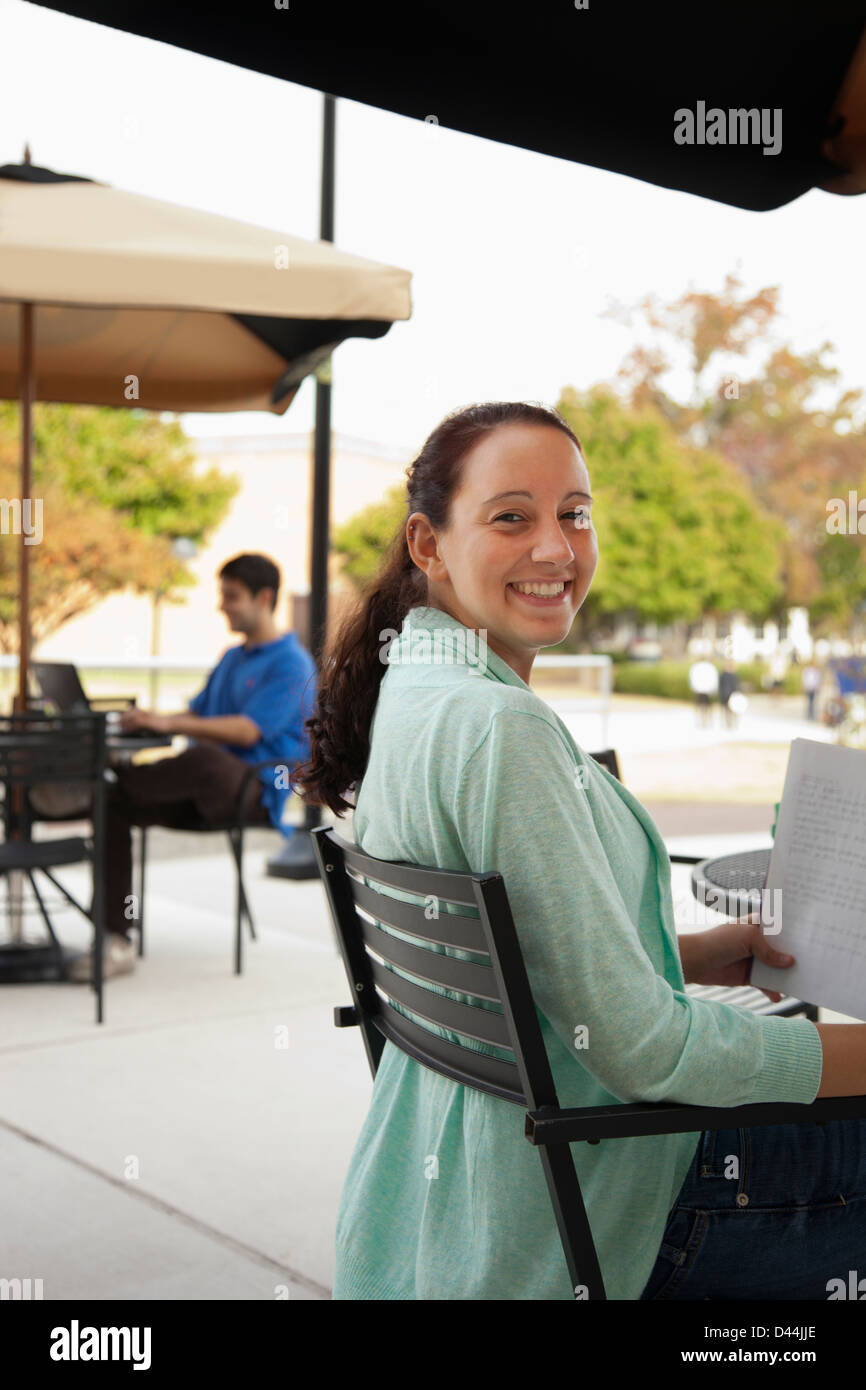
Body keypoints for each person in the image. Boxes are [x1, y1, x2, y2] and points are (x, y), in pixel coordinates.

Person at [293, 400, 866, 1301]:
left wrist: (694, 955)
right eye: (511, 516)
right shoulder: (497, 730)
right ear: (428, 544)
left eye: (575, 514)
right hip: (591, 1211)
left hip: (475, 1187)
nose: (557, 549)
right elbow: (647, 1054)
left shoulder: (419, 688)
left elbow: (511, 978)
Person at [66, 553, 317, 982]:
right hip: (201, 788)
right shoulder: (232, 659)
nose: (222, 606)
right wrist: (149, 720)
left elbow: (246, 732)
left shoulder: (292, 664)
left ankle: (94, 780)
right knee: (112, 802)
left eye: (231, 597)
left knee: (202, 759)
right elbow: (195, 714)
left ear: (264, 597)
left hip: (252, 791)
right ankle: (115, 940)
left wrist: (167, 723)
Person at [687, 656, 718, 727]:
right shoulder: (710, 667)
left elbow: (691, 679)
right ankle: (706, 720)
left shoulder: (696, 667)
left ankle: (700, 720)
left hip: (699, 689)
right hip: (707, 690)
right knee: (707, 706)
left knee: (699, 706)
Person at [718, 658, 741, 730]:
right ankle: (730, 723)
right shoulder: (732, 674)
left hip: (728, 694)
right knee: (730, 709)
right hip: (729, 694)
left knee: (729, 709)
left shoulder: (724, 674)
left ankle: (729, 723)